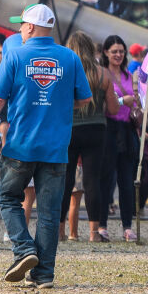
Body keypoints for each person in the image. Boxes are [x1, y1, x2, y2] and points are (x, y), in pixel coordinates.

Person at [0, 4, 90, 289]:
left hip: (20, 146)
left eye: (21, 26)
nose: (18, 31)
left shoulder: (14, 56)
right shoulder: (70, 58)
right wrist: (58, 103)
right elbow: (84, 100)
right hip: (56, 148)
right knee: (50, 213)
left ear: (29, 27)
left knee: (7, 198)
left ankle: (24, 249)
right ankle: (43, 275)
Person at [61, 31, 115, 242]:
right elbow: (112, 108)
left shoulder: (64, 73)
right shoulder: (102, 74)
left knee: (65, 180)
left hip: (69, 129)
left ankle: (60, 231)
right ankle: (94, 233)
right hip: (95, 129)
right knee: (93, 181)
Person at [99, 35, 142, 242]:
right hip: (108, 129)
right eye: (114, 51)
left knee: (126, 180)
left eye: (121, 51)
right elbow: (99, 103)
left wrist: (137, 105)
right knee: (106, 179)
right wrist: (121, 100)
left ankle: (127, 226)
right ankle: (101, 225)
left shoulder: (129, 74)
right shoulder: (102, 74)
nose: (118, 55)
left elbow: (136, 100)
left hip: (126, 130)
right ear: (106, 52)